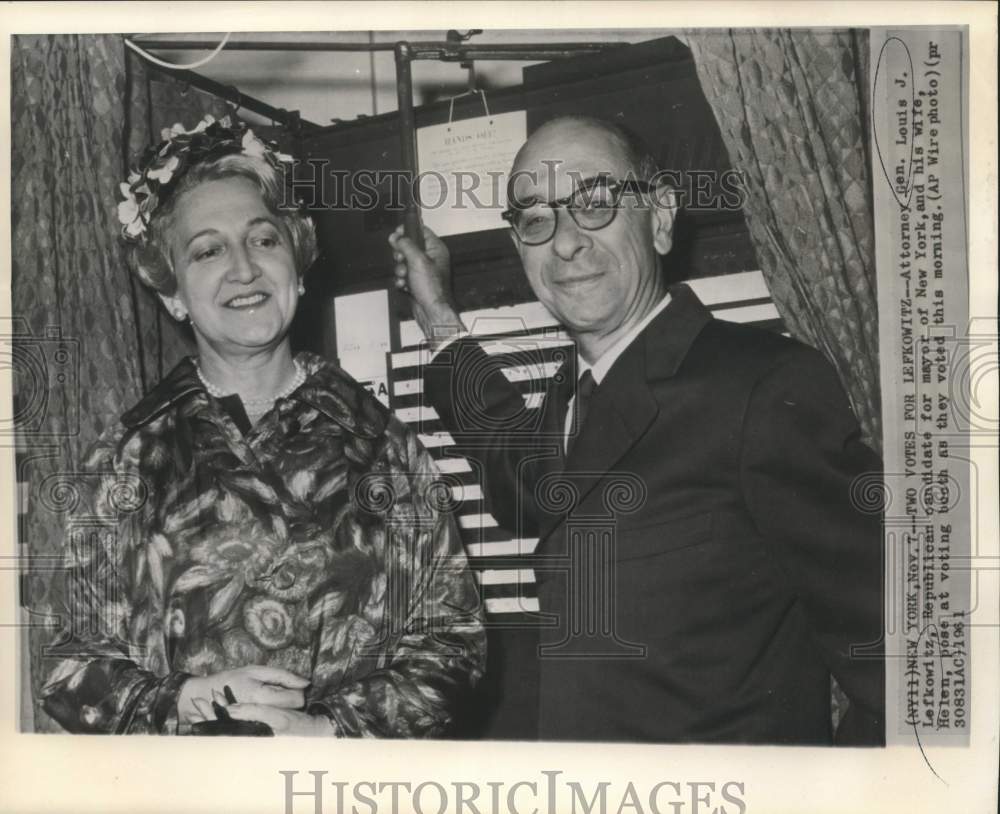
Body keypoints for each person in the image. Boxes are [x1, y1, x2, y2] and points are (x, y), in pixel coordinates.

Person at [389, 115, 885, 745]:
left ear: (660, 216)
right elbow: (515, 471)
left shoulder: (763, 389)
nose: (565, 242)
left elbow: (900, 659)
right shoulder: (572, 399)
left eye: (594, 204)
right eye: (536, 219)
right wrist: (436, 314)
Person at [40, 115, 485, 737]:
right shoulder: (127, 456)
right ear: (172, 292)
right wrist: (187, 699)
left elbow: (454, 646)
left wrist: (331, 731)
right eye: (208, 250)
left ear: (298, 267)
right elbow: (70, 668)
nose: (243, 268)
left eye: (264, 240)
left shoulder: (384, 447)